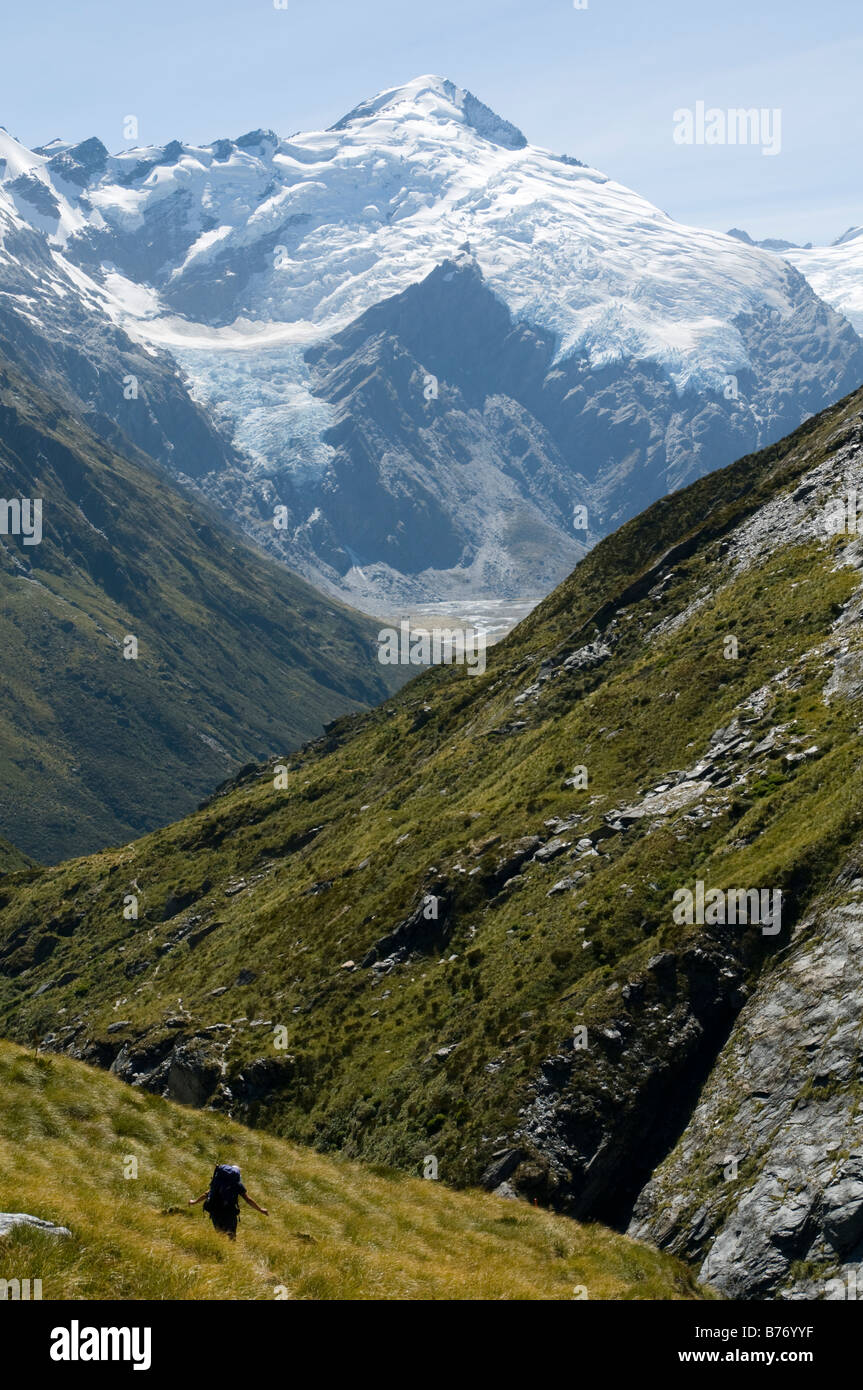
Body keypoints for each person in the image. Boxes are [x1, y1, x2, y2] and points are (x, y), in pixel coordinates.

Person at [189, 1163, 268, 1240]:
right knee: (231, 1237)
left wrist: (194, 1202)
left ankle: (222, 1251)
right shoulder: (237, 1184)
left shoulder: (218, 1181)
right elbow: (248, 1200)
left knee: (220, 1237)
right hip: (229, 1213)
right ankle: (231, 1250)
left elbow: (207, 1194)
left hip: (215, 1212)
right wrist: (260, 1209)